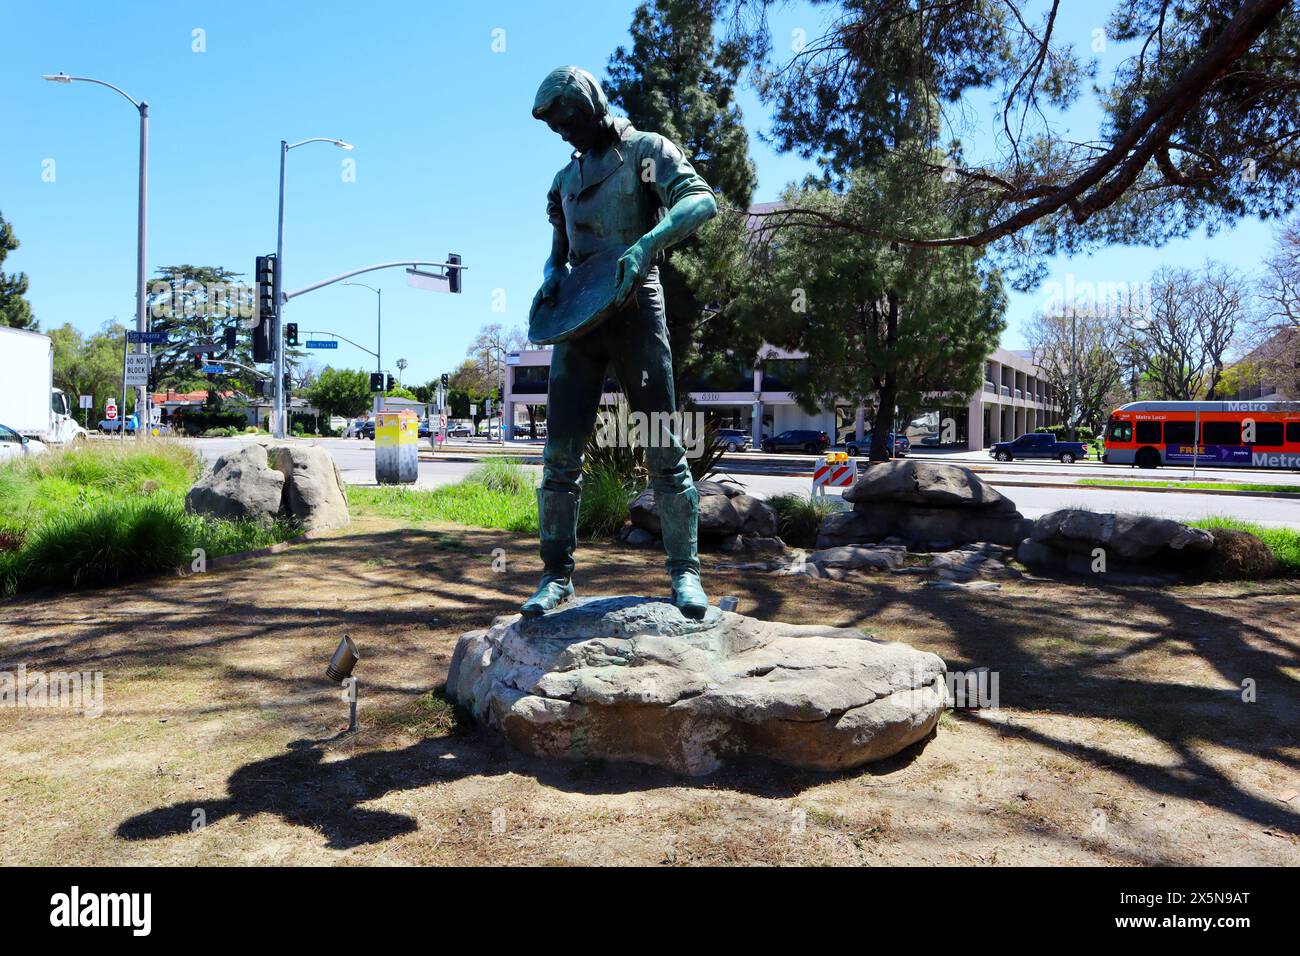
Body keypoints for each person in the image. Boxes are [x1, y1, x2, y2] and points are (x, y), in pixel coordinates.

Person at [522, 66, 717, 619]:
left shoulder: (646, 151)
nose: (564, 133)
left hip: (636, 306)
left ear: (591, 105)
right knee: (560, 454)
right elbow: (558, 255)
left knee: (663, 444)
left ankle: (684, 572)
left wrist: (647, 244)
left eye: (568, 120)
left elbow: (700, 200)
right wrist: (552, 276)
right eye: (555, 128)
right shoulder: (564, 180)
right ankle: (555, 577)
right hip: (580, 316)